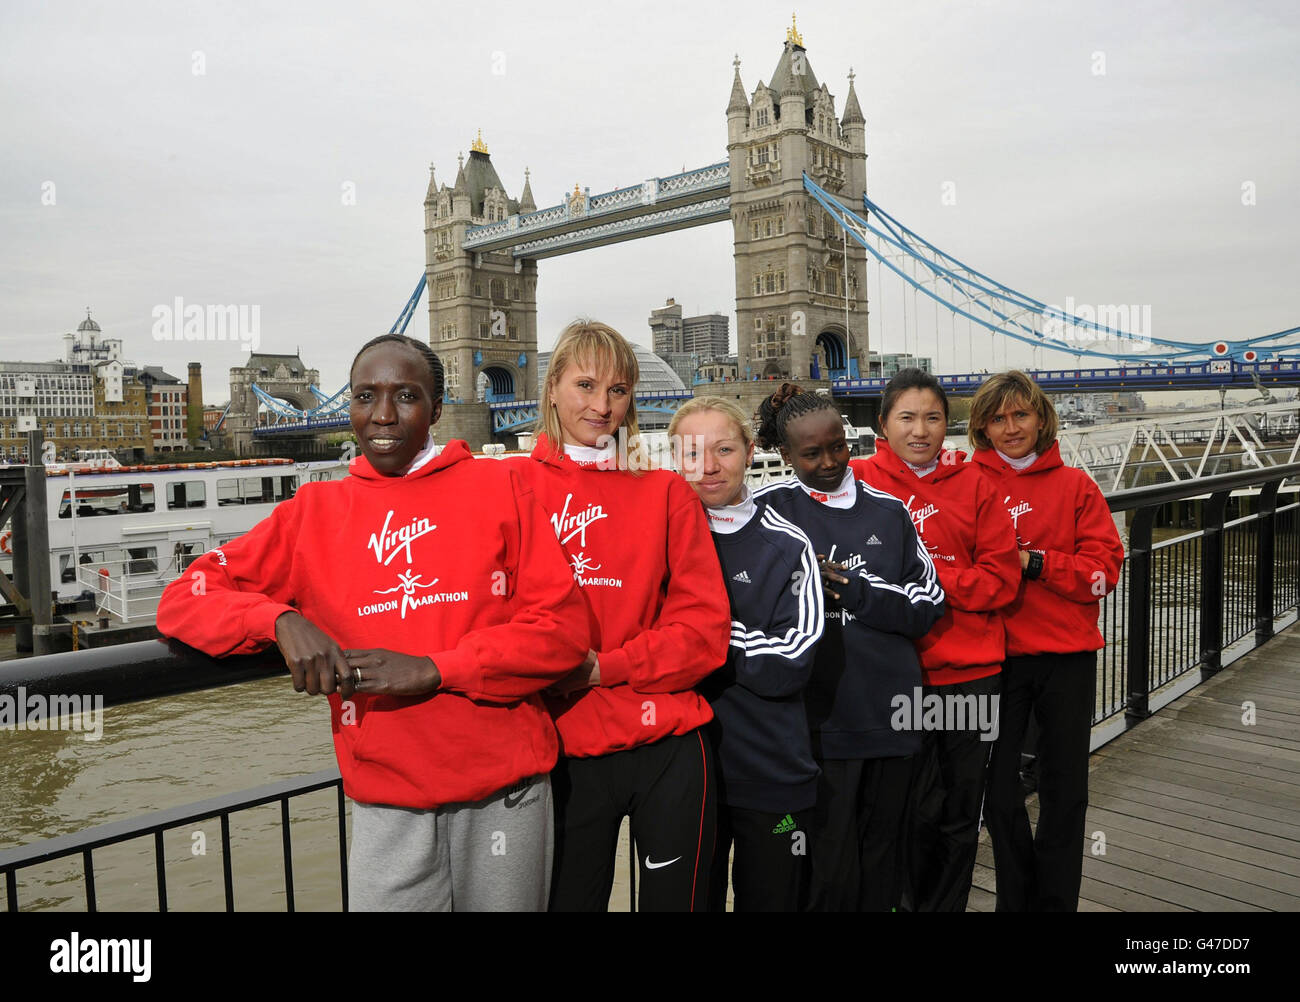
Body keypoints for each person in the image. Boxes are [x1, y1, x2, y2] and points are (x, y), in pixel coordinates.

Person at [156, 334, 589, 911]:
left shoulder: (503, 487)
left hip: (506, 796)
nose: (382, 415)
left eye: (405, 395)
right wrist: (277, 619)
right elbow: (186, 596)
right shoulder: (314, 512)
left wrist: (437, 669)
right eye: (365, 396)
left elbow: (562, 633)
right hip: (386, 801)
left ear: (436, 410)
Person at [509, 320, 730, 912]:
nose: (602, 406)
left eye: (618, 390)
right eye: (585, 385)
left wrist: (606, 667)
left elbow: (704, 636)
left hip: (669, 742)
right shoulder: (509, 486)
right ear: (551, 387)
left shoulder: (665, 493)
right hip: (558, 749)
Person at [754, 383, 946, 911]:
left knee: (884, 858)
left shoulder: (890, 512)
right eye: (811, 453)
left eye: (837, 446)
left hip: (891, 715)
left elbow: (926, 604)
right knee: (827, 865)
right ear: (784, 454)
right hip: (817, 724)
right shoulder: (768, 513)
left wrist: (854, 591)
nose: (829, 461)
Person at [849, 368, 1019, 911]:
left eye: (933, 417)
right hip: (893, 679)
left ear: (949, 424)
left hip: (970, 678)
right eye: (906, 417)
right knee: (898, 811)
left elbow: (1001, 580)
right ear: (882, 424)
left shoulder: (976, 486)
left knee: (958, 815)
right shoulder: (854, 479)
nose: (920, 430)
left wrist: (927, 578)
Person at [968, 369, 1124, 911]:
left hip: (1067, 658)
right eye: (997, 417)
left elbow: (1105, 572)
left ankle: (1055, 903)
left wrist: (1034, 562)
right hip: (995, 659)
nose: (1010, 427)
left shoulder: (1077, 486)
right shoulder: (965, 484)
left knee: (1064, 791)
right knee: (998, 791)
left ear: (1041, 419)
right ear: (983, 427)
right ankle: (1018, 898)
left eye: (1021, 415)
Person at [669, 397, 824, 912]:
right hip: (685, 773)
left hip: (772, 772)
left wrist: (700, 637)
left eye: (724, 449)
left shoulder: (788, 545)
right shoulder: (658, 540)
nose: (708, 466)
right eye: (692, 453)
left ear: (751, 452)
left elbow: (791, 662)